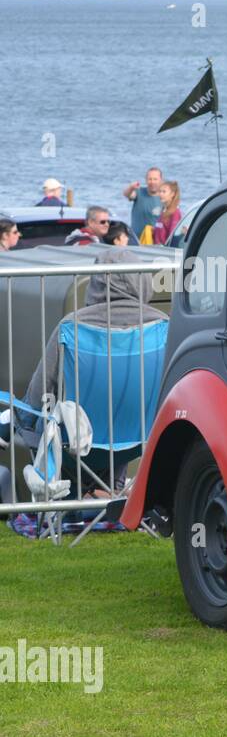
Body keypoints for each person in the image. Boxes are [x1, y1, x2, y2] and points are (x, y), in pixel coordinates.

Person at [8, 248, 168, 494]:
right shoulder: (162, 326)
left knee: (51, 419)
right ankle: (110, 495)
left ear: (95, 282)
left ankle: (68, 502)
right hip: (141, 440)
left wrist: (21, 424)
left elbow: (39, 391)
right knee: (121, 407)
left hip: (77, 444)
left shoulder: (72, 326)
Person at [122, 167, 164, 239]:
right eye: (149, 179)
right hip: (135, 239)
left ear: (161, 180)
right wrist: (131, 187)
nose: (152, 182)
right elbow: (127, 194)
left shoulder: (164, 198)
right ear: (146, 180)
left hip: (154, 240)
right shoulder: (139, 192)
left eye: (155, 179)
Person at [152, 181, 182, 246]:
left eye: (164, 192)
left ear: (172, 194)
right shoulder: (163, 211)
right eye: (160, 191)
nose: (161, 194)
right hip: (156, 250)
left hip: (165, 252)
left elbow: (172, 236)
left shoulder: (175, 213)